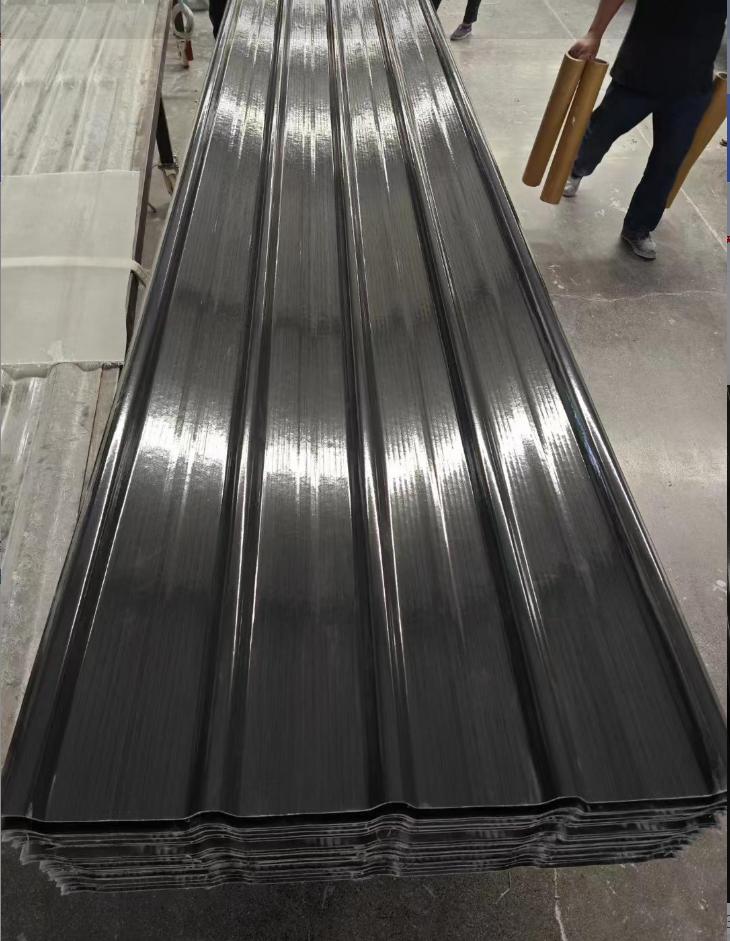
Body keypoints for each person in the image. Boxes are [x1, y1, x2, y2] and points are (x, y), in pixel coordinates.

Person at [564, 0, 726, 260]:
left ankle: (638, 227)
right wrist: (595, 33)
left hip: (692, 83)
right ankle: (577, 168)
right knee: (602, 130)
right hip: (641, 67)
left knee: (668, 161)